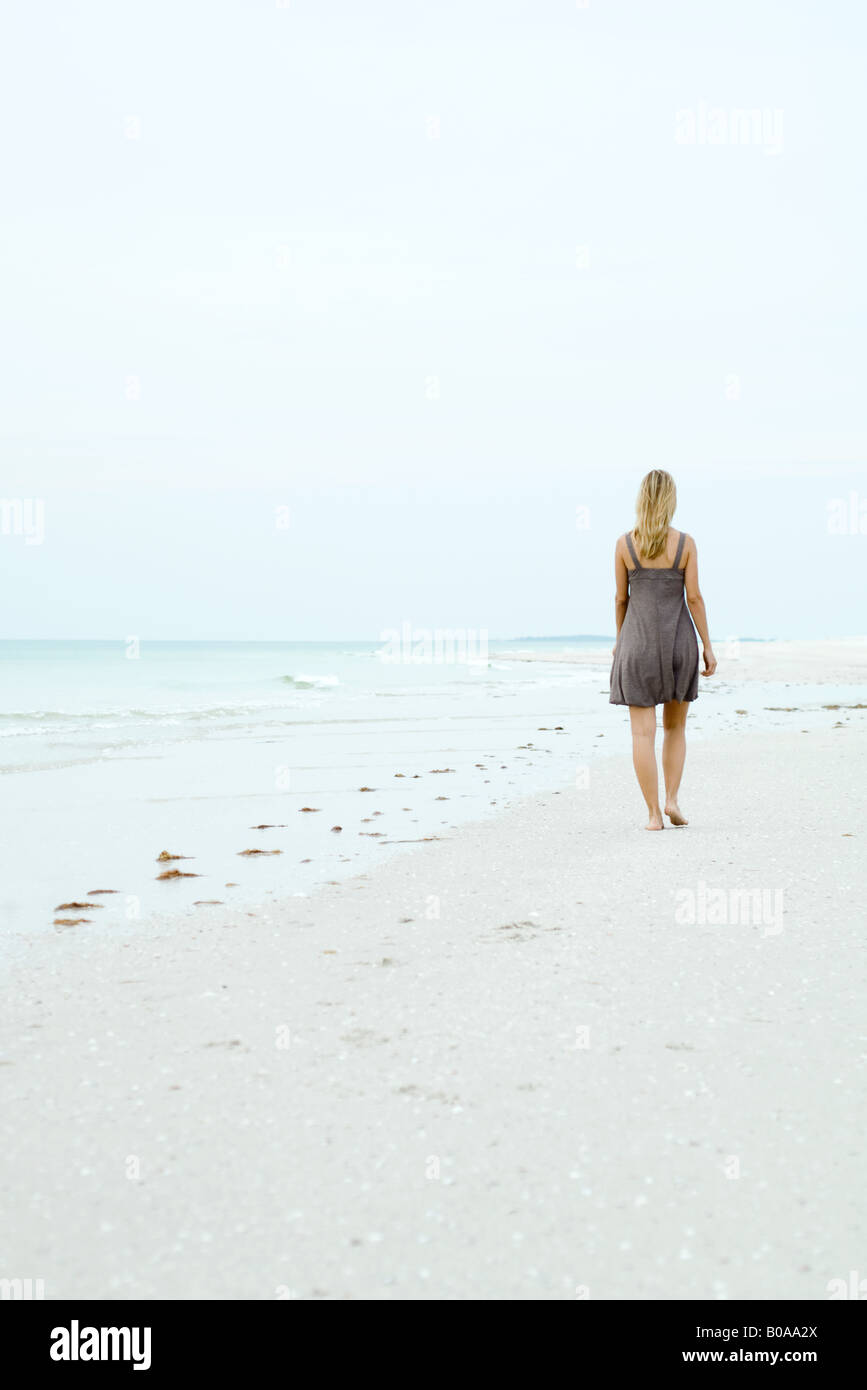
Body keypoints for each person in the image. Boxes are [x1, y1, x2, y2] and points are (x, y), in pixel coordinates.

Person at [610, 470, 716, 830]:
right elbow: (695, 598)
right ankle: (672, 799)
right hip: (678, 644)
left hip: (637, 646)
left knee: (642, 734)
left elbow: (621, 599)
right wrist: (708, 646)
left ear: (641, 500)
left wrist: (619, 641)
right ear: (671, 501)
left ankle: (654, 815)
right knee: (675, 729)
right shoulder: (686, 545)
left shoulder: (625, 545)